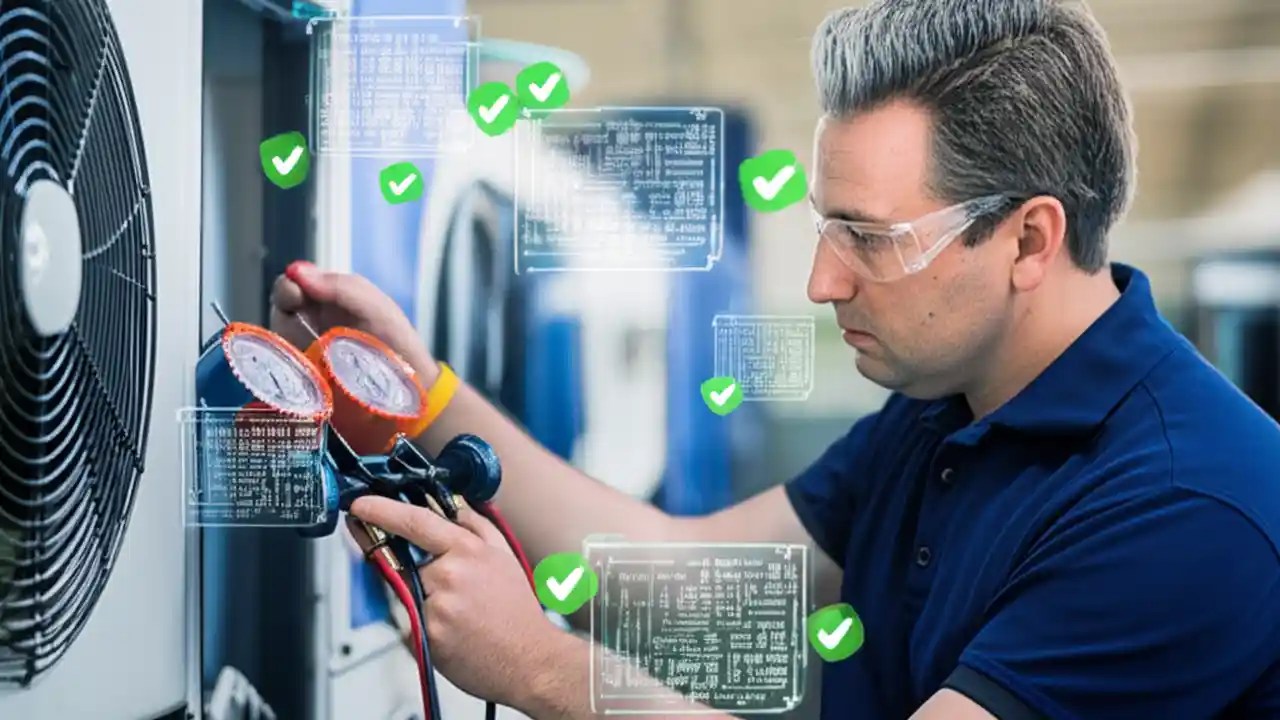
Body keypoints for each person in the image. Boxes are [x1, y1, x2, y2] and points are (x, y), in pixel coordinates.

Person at [271, 0, 1280, 717]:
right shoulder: (949, 408)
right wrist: (420, 393)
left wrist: (543, 668)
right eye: (820, 227)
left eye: (868, 237)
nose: (820, 282)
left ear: (1025, 240)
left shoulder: (1187, 506)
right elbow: (682, 578)